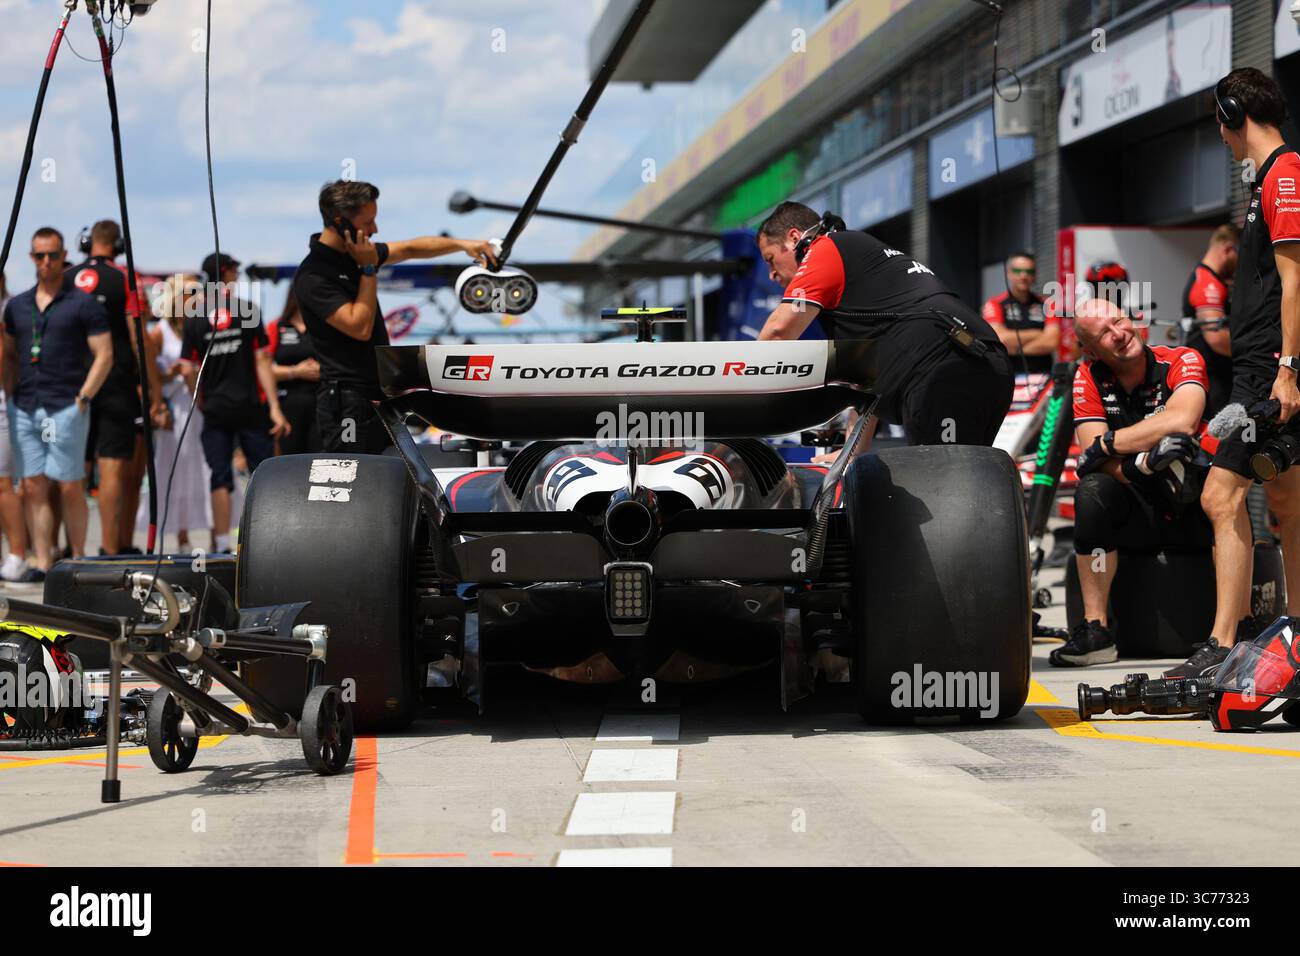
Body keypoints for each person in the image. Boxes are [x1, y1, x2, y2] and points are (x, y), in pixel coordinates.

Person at [1187, 68, 1300, 679]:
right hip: (1262, 371)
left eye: (1220, 122)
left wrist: (1287, 370)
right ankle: (1299, 638)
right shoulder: (1267, 182)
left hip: (1270, 376)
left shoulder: (1285, 173)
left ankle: (1223, 642)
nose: (1221, 136)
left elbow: (1295, 281)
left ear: (1234, 113)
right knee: (1287, 500)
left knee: (1219, 493)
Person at [754, 201, 1012, 445]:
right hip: (982, 361)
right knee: (962, 478)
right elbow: (862, 377)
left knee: (941, 481)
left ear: (795, 238)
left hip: (946, 368)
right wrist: (850, 453)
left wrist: (738, 386)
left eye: (770, 259)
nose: (772, 274)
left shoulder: (825, 249)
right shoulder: (859, 263)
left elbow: (778, 332)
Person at [1051, 298, 1211, 666]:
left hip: (1193, 507)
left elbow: (1184, 420)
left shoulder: (1183, 358)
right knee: (1092, 492)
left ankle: (1230, 629)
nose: (1120, 334)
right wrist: (1143, 465)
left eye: (1120, 321)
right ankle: (1096, 631)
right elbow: (1094, 463)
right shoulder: (1087, 376)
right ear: (1090, 351)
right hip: (1136, 506)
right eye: (1104, 334)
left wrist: (1111, 443)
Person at [293, 180, 497, 454]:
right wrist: (367, 268)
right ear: (340, 222)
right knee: (353, 479)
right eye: (368, 222)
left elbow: (413, 248)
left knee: (389, 478)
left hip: (378, 394)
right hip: (347, 400)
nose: (375, 230)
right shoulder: (314, 275)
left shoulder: (355, 251)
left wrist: (465, 244)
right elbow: (359, 326)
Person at [0, 228, 112, 579]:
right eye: (39, 255)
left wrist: (83, 398)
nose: (46, 262)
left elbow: (104, 355)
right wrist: (8, 394)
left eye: (52, 255)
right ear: (31, 257)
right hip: (25, 404)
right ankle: (44, 563)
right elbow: (6, 356)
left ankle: (77, 559)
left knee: (69, 484)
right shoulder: (17, 305)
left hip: (66, 404)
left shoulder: (83, 303)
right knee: (32, 485)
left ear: (64, 256)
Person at [66, 220, 167, 555]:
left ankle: (68, 549)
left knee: (71, 467)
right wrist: (153, 390)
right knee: (111, 465)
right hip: (115, 383)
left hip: (71, 382)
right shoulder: (125, 277)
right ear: (118, 245)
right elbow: (139, 340)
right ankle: (110, 551)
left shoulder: (66, 278)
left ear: (86, 243)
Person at [181, 253, 287, 553]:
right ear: (225, 272)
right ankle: (268, 539)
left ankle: (222, 543)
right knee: (262, 473)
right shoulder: (246, 310)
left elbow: (188, 369)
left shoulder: (194, 317)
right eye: (236, 271)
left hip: (214, 408)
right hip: (249, 405)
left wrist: (198, 399)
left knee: (220, 476)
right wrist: (275, 407)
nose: (238, 276)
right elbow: (262, 359)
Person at [138, 274, 211, 548]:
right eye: (188, 293)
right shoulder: (160, 332)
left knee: (200, 465)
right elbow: (148, 373)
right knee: (175, 466)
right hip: (174, 408)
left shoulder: (200, 327)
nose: (195, 299)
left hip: (198, 405)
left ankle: (210, 530)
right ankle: (179, 533)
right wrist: (168, 379)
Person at [1181, 224, 1239, 417]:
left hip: (1213, 373)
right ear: (1228, 249)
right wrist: (1251, 356)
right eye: (1239, 254)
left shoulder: (1211, 279)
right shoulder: (1208, 283)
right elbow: (1217, 338)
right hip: (1210, 376)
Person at [981, 252, 1060, 375]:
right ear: (1009, 273)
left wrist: (1016, 350)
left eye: (1029, 272)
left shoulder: (1048, 304)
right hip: (1008, 376)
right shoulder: (995, 303)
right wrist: (1037, 333)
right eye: (1018, 271)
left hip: (1042, 377)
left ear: (1035, 275)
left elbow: (1052, 341)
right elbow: (1000, 340)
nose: (1023, 276)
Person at [268, 290, 321, 454]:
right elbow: (263, 369)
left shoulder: (325, 326)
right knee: (290, 460)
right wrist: (295, 371)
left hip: (321, 403)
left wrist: (322, 368)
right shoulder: (276, 327)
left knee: (321, 461)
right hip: (288, 403)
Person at [0, 273, 28, 581]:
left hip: (5, 400)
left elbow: (9, 357)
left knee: (4, 482)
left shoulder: (11, 306)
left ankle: (18, 553)